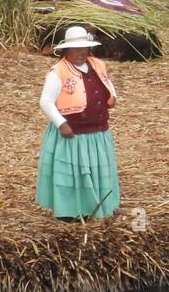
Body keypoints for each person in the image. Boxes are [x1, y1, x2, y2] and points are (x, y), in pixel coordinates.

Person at [36, 25, 120, 221]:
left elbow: (108, 83)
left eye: (84, 48)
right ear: (66, 50)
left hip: (97, 132)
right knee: (72, 173)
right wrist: (61, 123)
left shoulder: (97, 64)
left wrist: (113, 97)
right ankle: (69, 211)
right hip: (73, 133)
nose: (80, 53)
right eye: (75, 49)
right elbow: (45, 102)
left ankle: (96, 206)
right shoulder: (58, 71)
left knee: (96, 169)